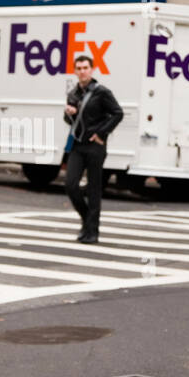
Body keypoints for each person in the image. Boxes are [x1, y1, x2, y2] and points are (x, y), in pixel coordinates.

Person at [62, 53, 124, 243]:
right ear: (75, 71)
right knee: (71, 185)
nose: (82, 72)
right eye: (79, 68)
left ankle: (92, 232)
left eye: (85, 68)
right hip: (78, 145)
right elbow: (70, 121)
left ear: (92, 69)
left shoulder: (101, 92)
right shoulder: (73, 93)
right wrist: (69, 113)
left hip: (95, 146)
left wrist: (101, 133)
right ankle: (87, 220)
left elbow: (117, 113)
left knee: (94, 189)